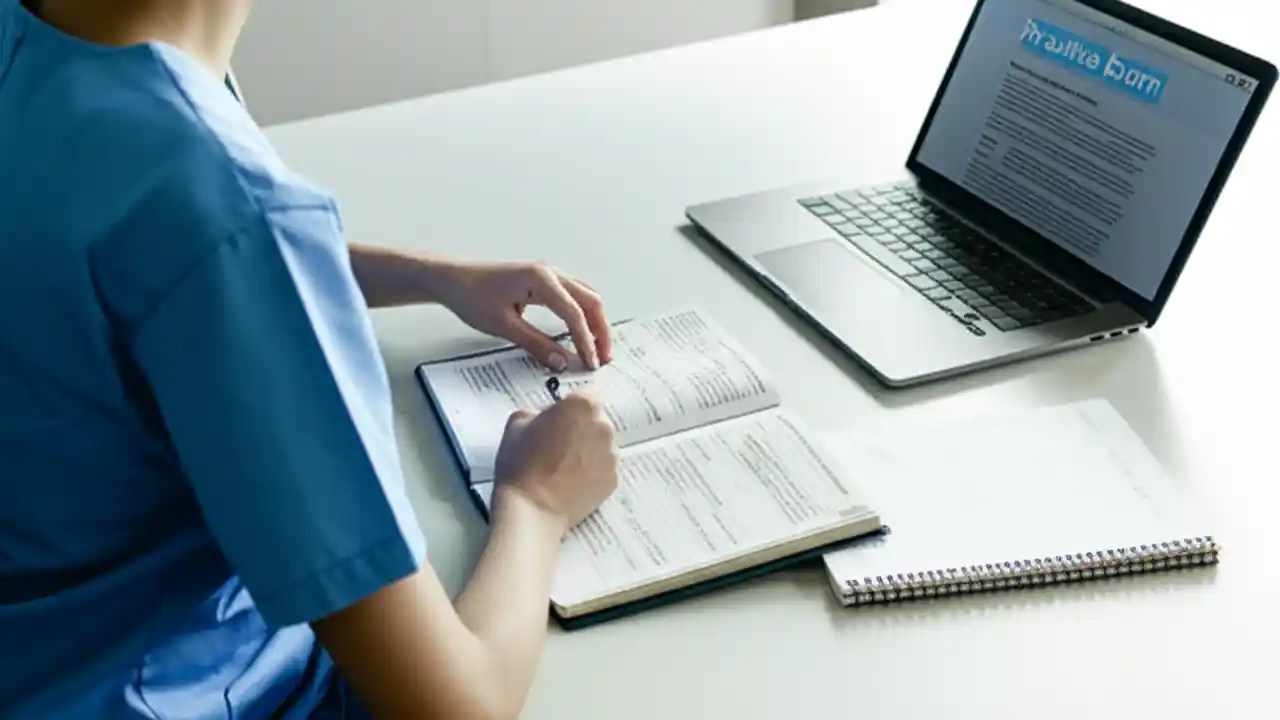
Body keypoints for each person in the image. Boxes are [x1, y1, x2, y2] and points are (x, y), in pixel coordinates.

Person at [0, 0, 621, 717]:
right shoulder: (213, 195)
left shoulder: (43, 44)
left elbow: (135, 266)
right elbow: (455, 706)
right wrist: (537, 502)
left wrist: (428, 276)